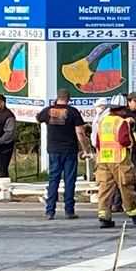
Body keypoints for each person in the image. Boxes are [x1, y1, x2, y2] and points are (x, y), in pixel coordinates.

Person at [93, 98, 136, 228]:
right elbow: (124, 140)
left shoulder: (103, 121)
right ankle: (135, 213)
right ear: (121, 110)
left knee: (105, 188)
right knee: (126, 185)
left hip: (103, 159)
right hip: (119, 159)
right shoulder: (121, 122)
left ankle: (104, 216)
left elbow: (98, 142)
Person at [36, 89, 91, 220]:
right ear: (68, 98)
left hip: (54, 150)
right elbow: (80, 133)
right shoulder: (73, 112)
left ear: (57, 97)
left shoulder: (48, 110)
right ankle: (69, 211)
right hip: (69, 150)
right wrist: (85, 149)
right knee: (69, 180)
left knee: (53, 179)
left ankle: (50, 211)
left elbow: (38, 118)